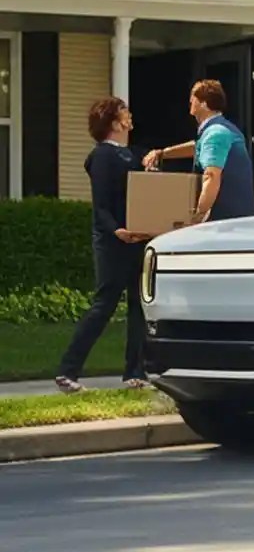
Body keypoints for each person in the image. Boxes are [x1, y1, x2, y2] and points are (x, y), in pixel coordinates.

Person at [55, 98, 152, 393]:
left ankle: (135, 373)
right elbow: (101, 207)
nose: (130, 116)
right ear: (113, 122)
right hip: (112, 242)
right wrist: (116, 230)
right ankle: (67, 372)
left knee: (139, 305)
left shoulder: (131, 154)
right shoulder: (102, 156)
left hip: (138, 239)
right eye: (124, 113)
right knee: (105, 304)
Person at [142, 79, 254, 223]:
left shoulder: (215, 134)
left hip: (226, 223)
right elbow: (197, 147)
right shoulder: (224, 129)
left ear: (204, 104)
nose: (190, 100)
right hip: (239, 219)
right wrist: (162, 153)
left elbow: (211, 176)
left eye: (194, 96)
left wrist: (198, 216)